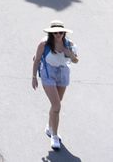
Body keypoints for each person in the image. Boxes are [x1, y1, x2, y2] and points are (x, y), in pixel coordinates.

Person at [32, 19, 78, 151]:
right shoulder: (44, 44)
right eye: (55, 32)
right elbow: (36, 60)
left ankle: (50, 126)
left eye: (60, 32)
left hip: (63, 74)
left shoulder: (69, 44)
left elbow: (76, 60)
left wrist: (68, 53)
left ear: (64, 33)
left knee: (55, 105)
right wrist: (34, 76)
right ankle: (55, 136)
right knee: (57, 105)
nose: (58, 35)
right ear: (51, 34)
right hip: (48, 74)